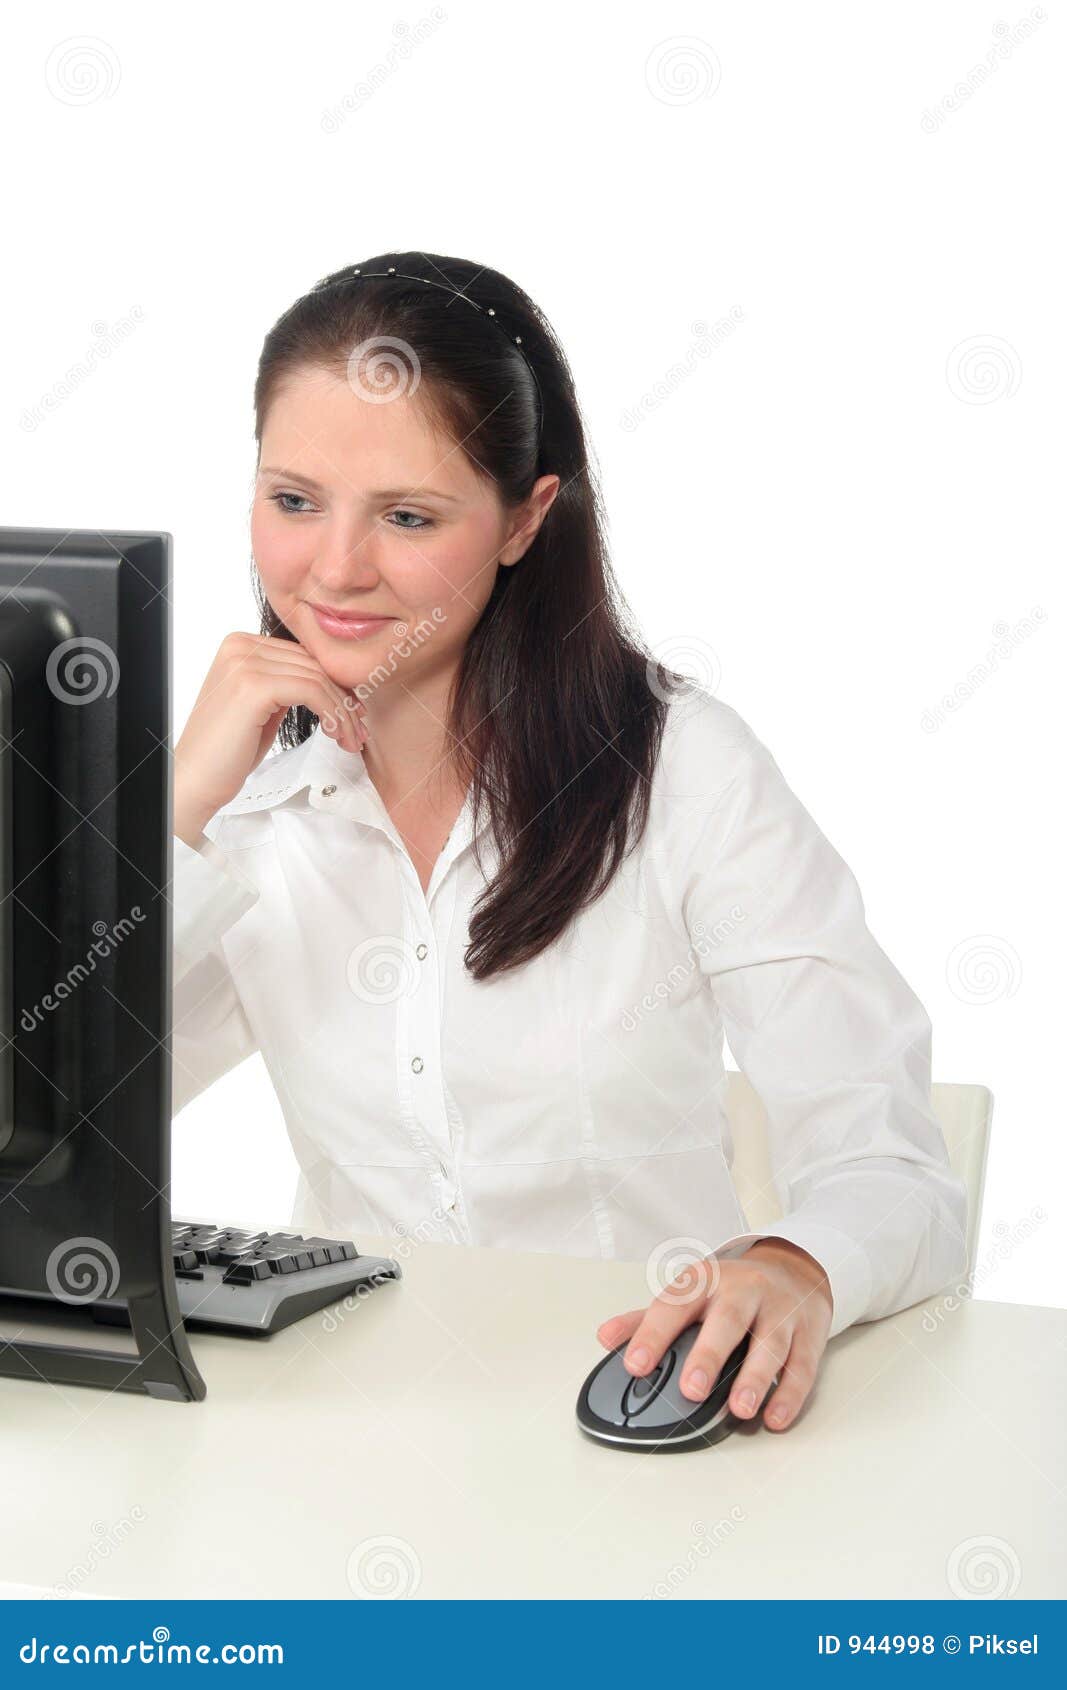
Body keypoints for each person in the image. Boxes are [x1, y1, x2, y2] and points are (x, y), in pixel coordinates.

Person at [171, 250, 967, 1433]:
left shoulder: (683, 774)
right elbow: (36, 1135)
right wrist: (163, 811)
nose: (333, 568)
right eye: (293, 501)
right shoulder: (248, 817)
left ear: (523, 518)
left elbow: (890, 1165)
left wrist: (795, 1266)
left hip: (638, 1424)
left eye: (406, 515)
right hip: (348, 1440)